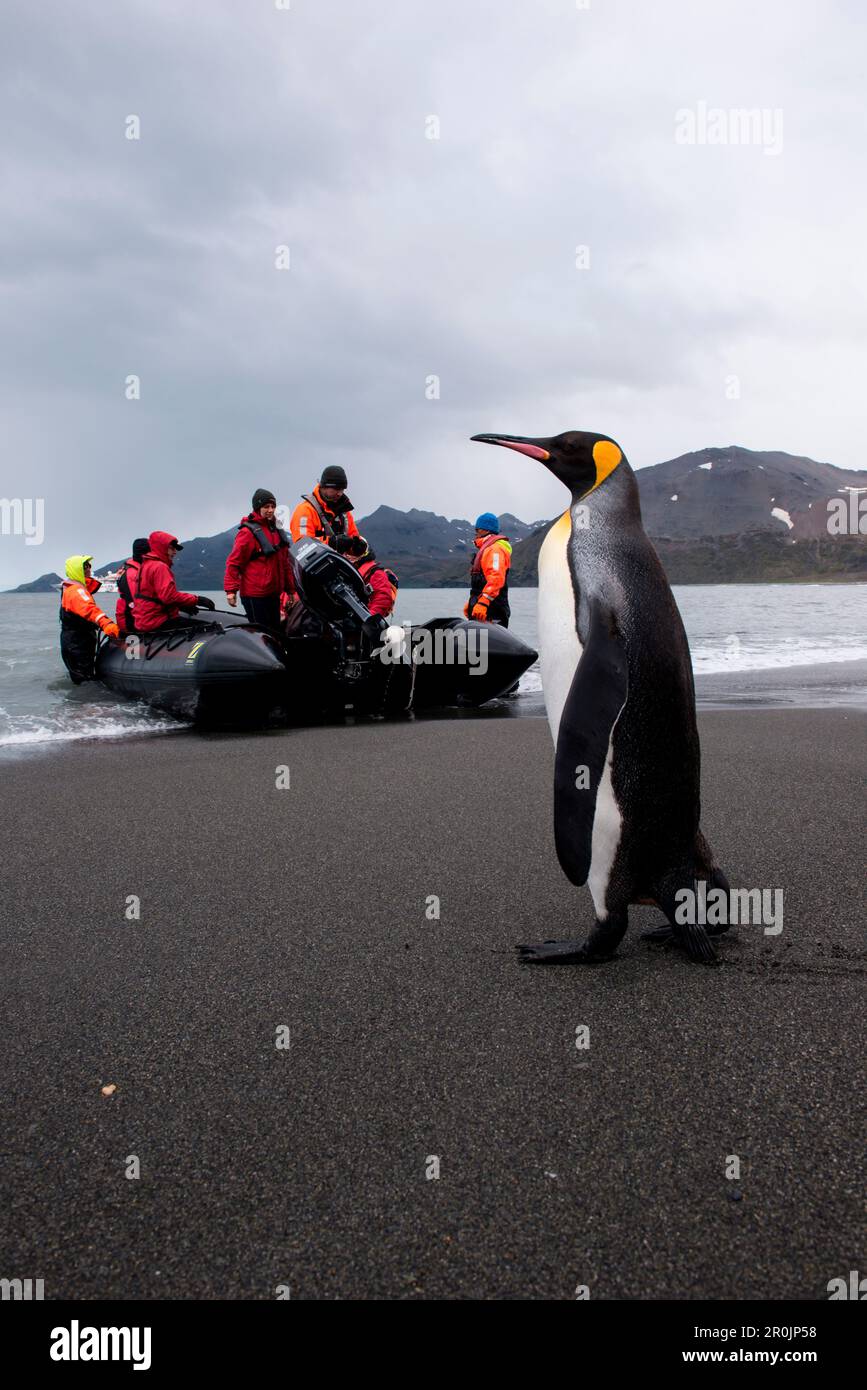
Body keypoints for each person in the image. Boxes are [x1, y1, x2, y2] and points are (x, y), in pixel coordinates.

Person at [223, 489, 297, 630]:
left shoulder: (277, 530)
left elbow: (285, 564)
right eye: (266, 507)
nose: (270, 510)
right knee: (261, 635)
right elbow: (234, 562)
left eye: (273, 506)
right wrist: (231, 591)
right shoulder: (247, 533)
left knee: (275, 632)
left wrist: (291, 590)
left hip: (273, 594)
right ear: (258, 508)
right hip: (254, 595)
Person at [132, 531, 215, 633]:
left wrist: (181, 606)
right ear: (161, 548)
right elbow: (169, 597)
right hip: (158, 622)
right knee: (210, 629)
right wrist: (197, 600)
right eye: (172, 548)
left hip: (143, 623)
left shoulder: (145, 566)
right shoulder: (160, 566)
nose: (175, 552)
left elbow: (154, 596)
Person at [59, 555, 120, 683]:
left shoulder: (71, 588)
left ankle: (81, 701)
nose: (89, 569)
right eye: (85, 566)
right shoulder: (76, 591)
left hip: (75, 641)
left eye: (89, 566)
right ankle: (86, 702)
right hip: (77, 643)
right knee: (84, 680)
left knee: (81, 678)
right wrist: (106, 623)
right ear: (77, 569)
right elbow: (89, 609)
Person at [290, 466, 359, 547]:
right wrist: (330, 543)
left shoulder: (344, 511)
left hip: (340, 559)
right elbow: (302, 545)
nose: (340, 493)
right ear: (324, 486)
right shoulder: (304, 512)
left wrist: (357, 547)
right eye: (336, 489)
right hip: (317, 559)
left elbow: (353, 536)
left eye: (342, 489)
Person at [464, 513, 513, 627]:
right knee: (477, 644)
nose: (475, 532)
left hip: (492, 610)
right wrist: (472, 602)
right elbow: (482, 583)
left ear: (485, 530)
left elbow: (496, 578)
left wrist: (483, 603)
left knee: (488, 644)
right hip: (484, 609)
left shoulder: (494, 549)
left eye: (477, 529)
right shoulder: (489, 548)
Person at [343, 535, 398, 619]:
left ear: (365, 552)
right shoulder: (344, 569)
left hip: (361, 619)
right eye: (349, 550)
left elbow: (383, 599)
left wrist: (367, 619)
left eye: (357, 550)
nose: (351, 554)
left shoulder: (376, 573)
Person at [115, 537, 149, 634]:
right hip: (129, 618)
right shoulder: (132, 573)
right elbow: (135, 603)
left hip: (127, 613)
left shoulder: (132, 569)